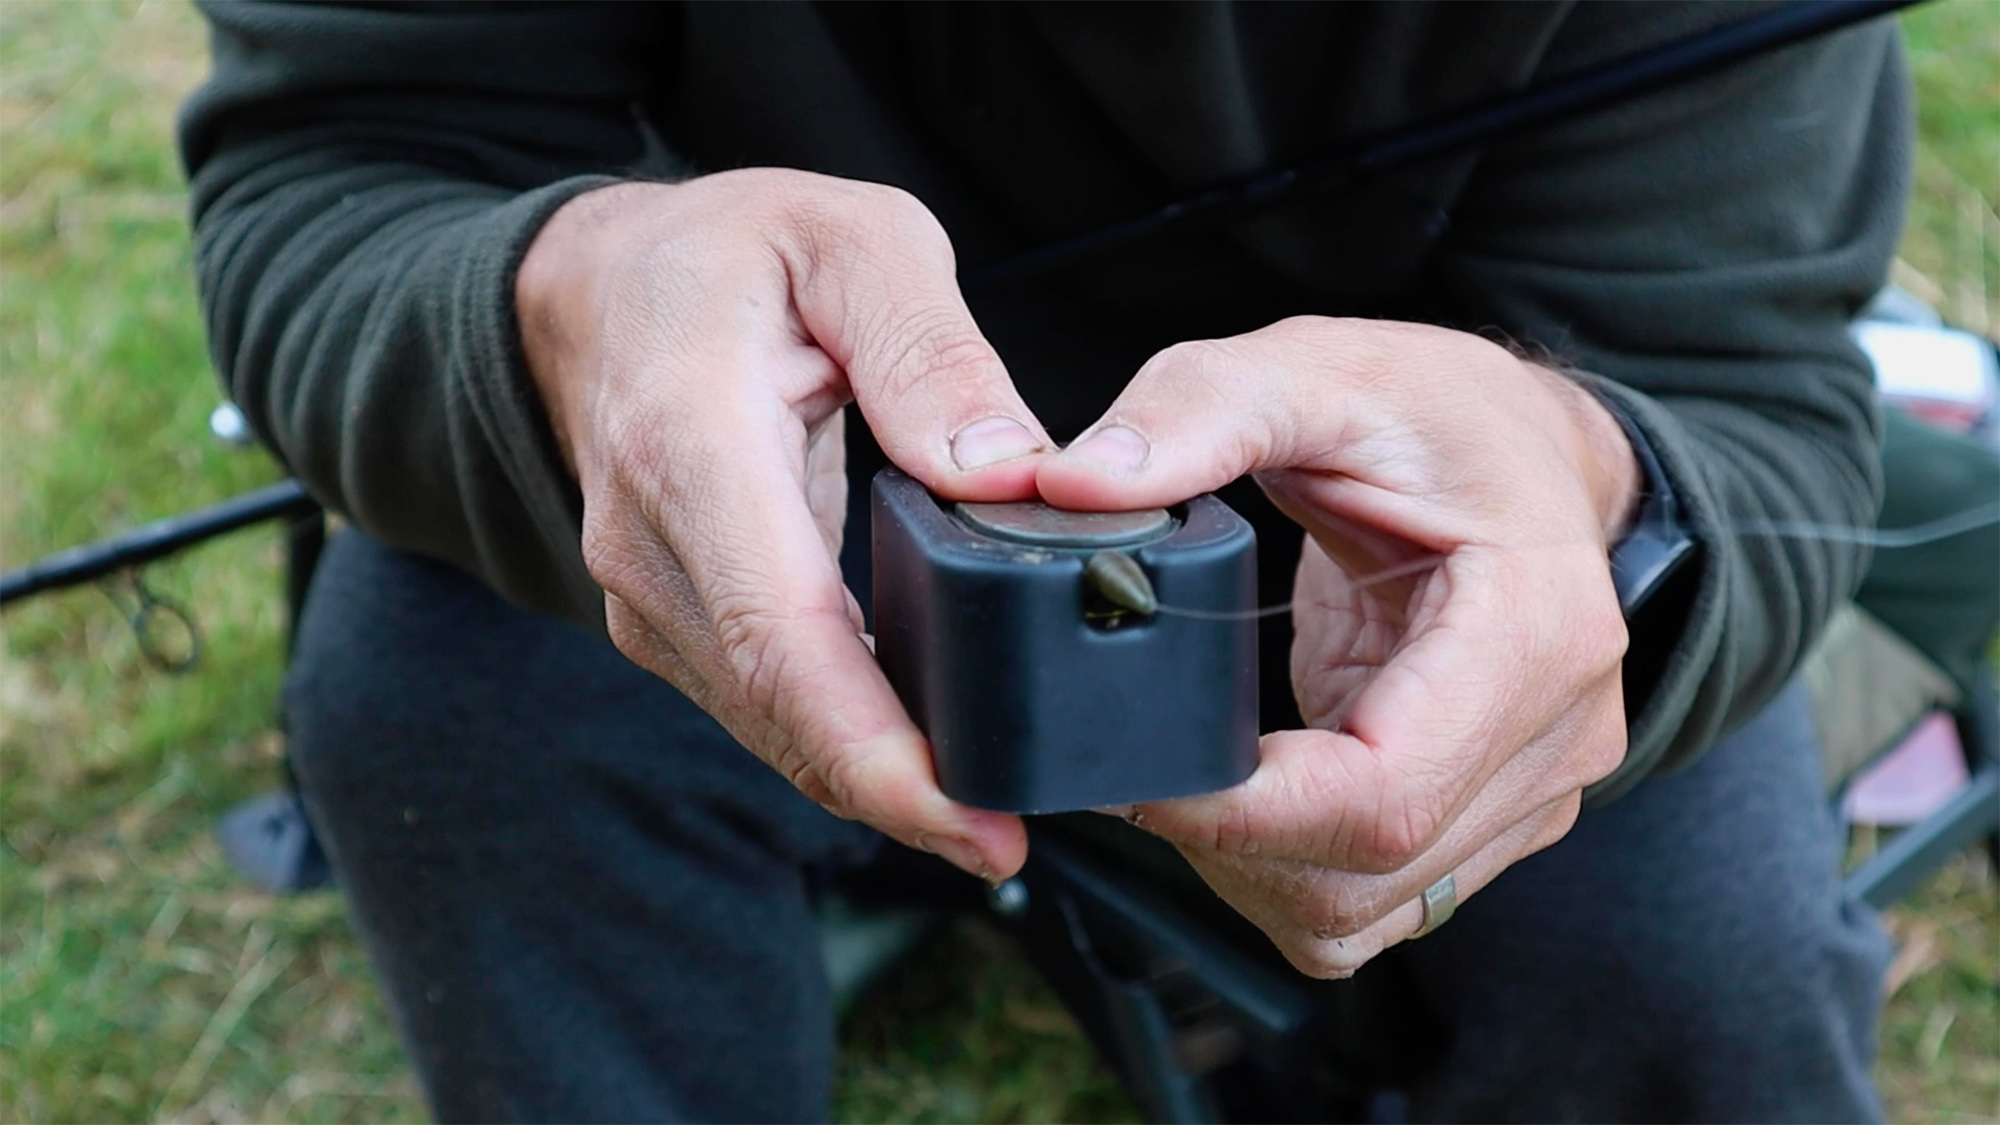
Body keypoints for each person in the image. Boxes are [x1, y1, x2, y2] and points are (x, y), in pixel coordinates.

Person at [178, 2, 1908, 1121]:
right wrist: (562, 305)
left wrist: (1596, 486)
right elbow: (339, 173)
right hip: (716, 482)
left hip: (1419, 554)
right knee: (432, 712)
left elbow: (1742, 399)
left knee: (1707, 970)